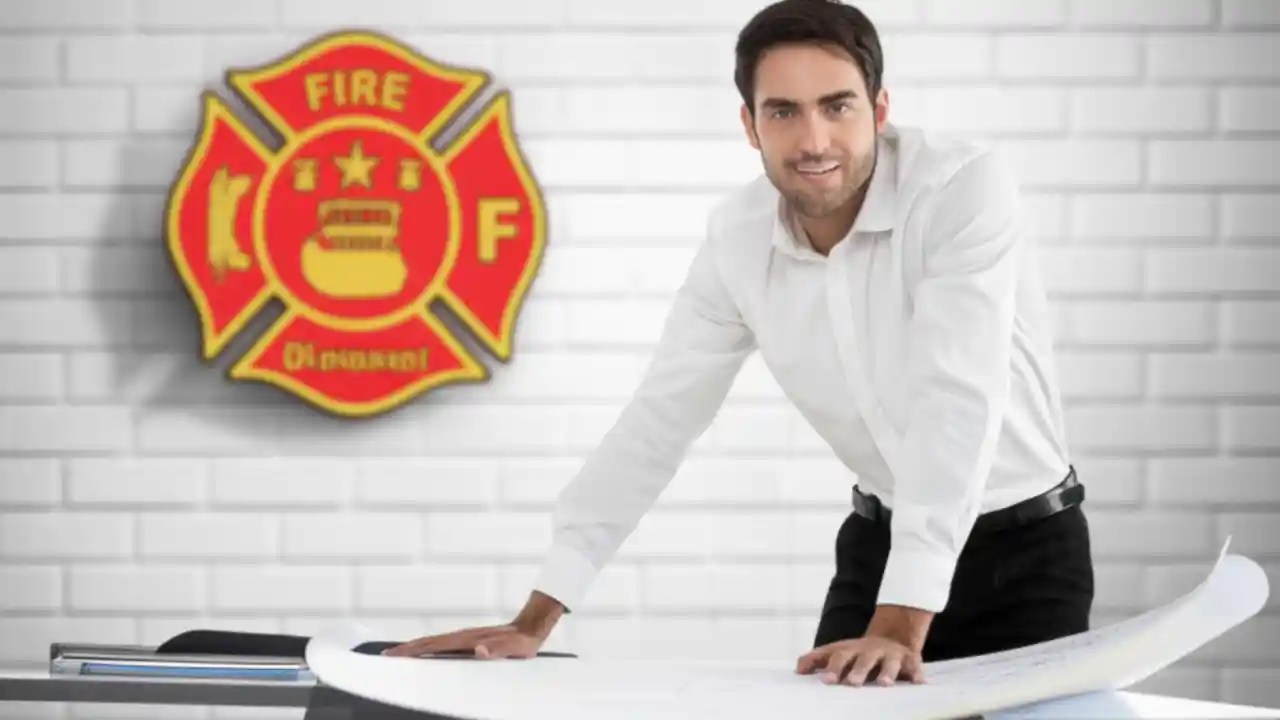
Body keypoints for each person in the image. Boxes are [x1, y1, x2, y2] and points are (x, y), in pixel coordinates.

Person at [384, 0, 1094, 688]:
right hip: (877, 549)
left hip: (1023, 555)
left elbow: (956, 398)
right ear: (751, 126)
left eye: (837, 106)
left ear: (880, 110)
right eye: (783, 111)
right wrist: (538, 616)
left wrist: (902, 621)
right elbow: (658, 420)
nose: (813, 140)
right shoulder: (737, 240)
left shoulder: (961, 189)